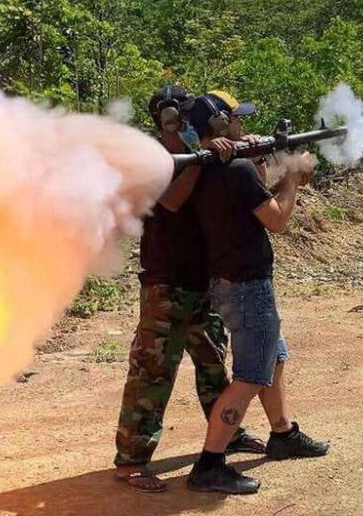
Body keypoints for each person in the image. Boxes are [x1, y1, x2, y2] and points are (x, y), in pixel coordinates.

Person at [114, 85, 265, 493]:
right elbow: (174, 201)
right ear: (167, 119)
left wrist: (242, 150)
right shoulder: (151, 160)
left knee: (214, 363)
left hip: (204, 279)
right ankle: (131, 461)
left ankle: (227, 437)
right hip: (166, 281)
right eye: (179, 116)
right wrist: (203, 157)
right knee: (153, 373)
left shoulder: (209, 153)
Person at [186, 91, 330, 495]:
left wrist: (257, 159)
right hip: (248, 287)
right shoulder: (236, 171)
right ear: (217, 126)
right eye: (235, 120)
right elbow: (278, 219)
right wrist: (292, 178)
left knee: (275, 358)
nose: (242, 126)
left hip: (231, 283)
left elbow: (244, 195)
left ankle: (281, 433)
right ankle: (210, 463)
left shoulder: (210, 168)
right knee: (250, 376)